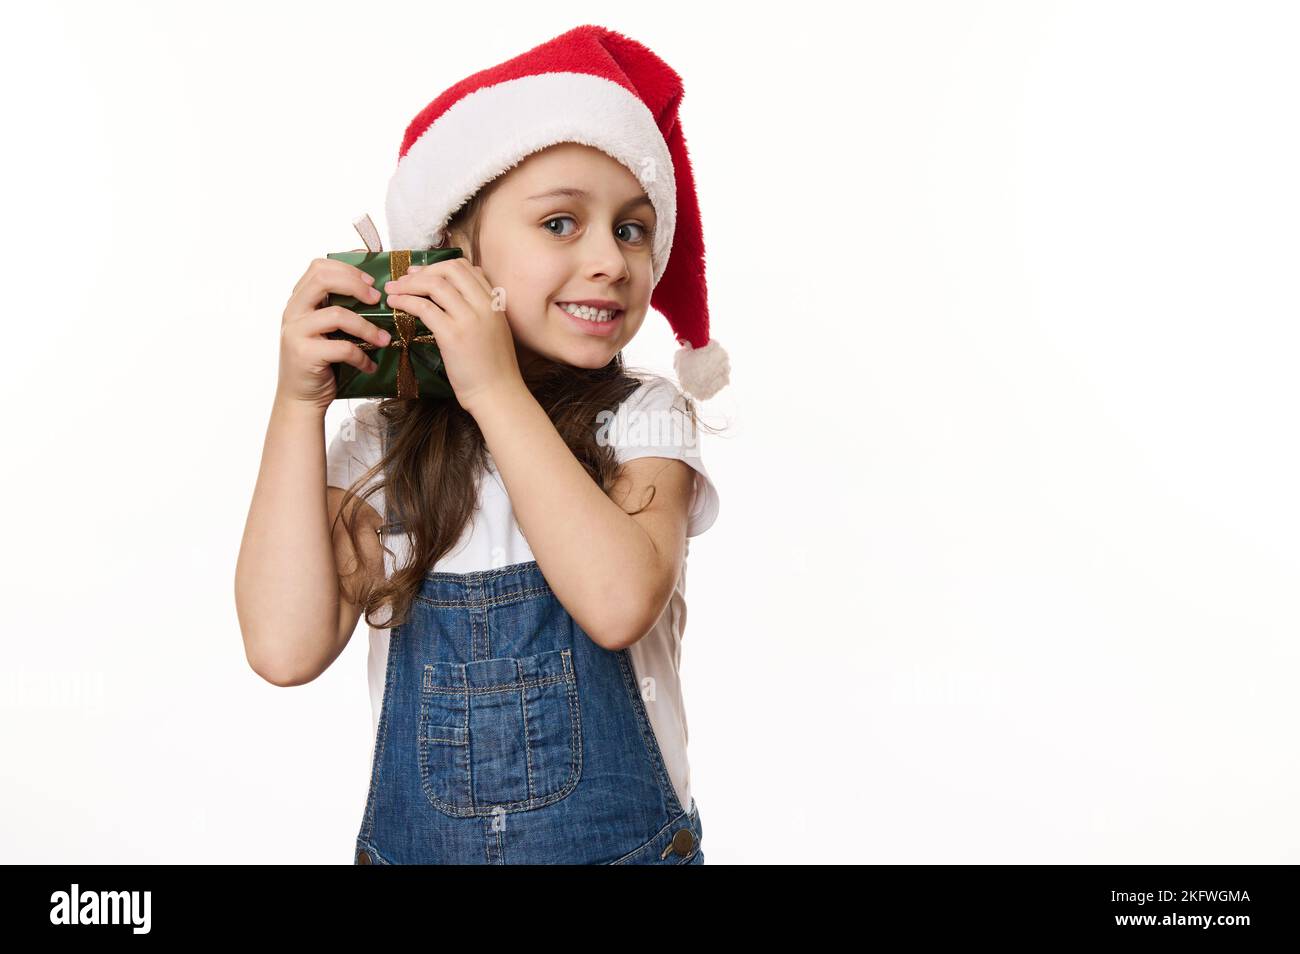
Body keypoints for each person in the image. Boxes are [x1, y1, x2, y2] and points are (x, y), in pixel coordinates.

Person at [235, 24, 730, 864]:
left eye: (634, 229)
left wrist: (494, 387)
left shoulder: (643, 417)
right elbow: (284, 649)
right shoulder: (386, 445)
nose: (610, 259)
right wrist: (296, 408)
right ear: (455, 251)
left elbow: (615, 605)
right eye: (562, 223)